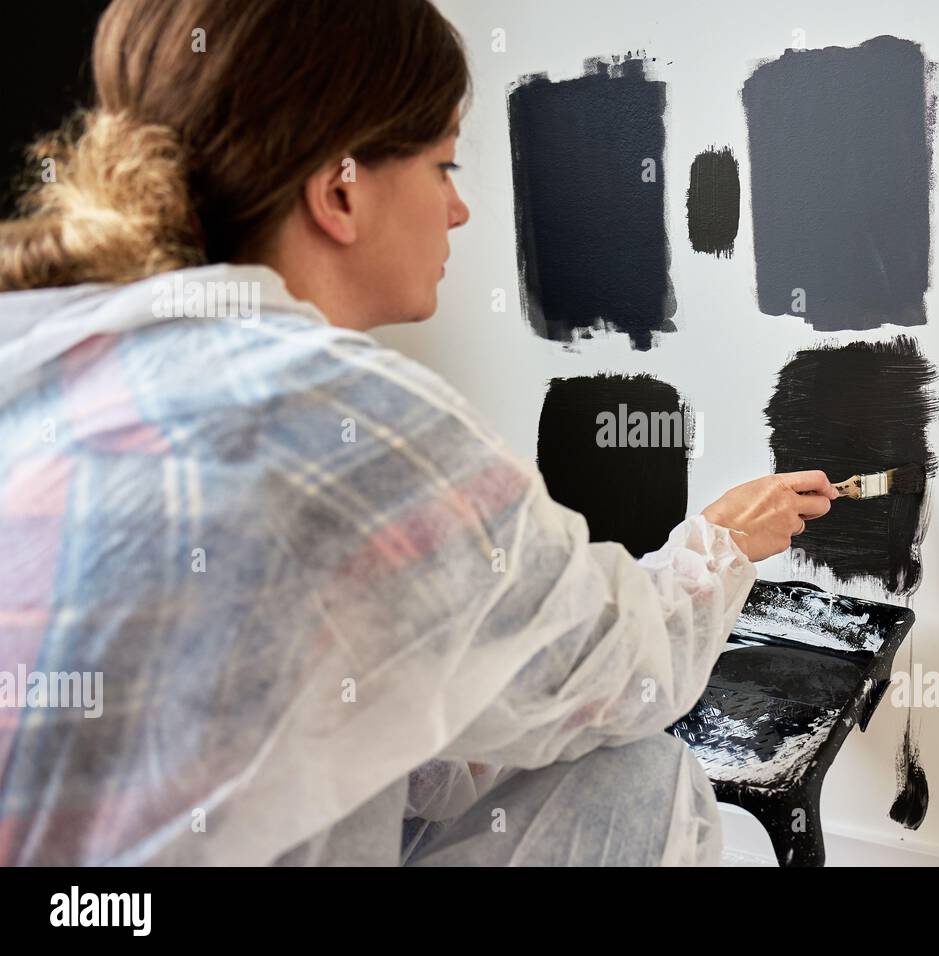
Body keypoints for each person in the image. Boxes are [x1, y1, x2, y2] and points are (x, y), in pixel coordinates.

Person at [0, 0, 837, 866]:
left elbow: (430, 714)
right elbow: (620, 673)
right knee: (642, 775)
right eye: (444, 166)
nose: (462, 210)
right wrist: (724, 542)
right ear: (340, 190)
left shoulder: (48, 353)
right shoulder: (343, 424)